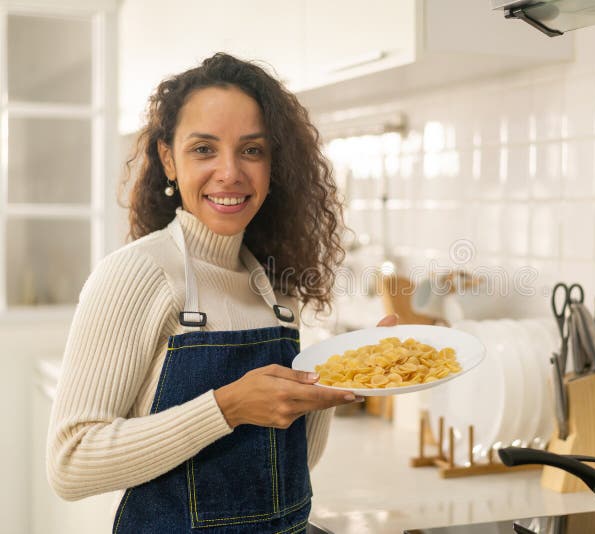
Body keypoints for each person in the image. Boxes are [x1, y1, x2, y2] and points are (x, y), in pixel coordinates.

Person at [46, 52, 397, 533]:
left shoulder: (274, 289)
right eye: (204, 149)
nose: (230, 172)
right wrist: (227, 407)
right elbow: (71, 463)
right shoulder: (137, 274)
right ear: (169, 159)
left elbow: (287, 470)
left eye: (251, 150)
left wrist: (348, 373)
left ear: (274, 164)